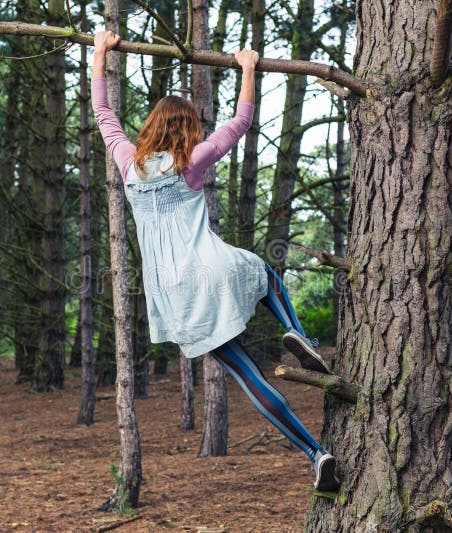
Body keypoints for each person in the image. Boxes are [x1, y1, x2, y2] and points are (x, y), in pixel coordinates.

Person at [91, 30, 340, 492]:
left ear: (150, 129)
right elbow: (240, 121)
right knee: (265, 274)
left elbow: (103, 113)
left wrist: (100, 52)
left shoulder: (129, 164)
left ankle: (316, 453)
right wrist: (247, 67)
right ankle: (296, 332)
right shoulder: (192, 161)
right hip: (212, 269)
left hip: (175, 296)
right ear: (186, 130)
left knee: (246, 373)